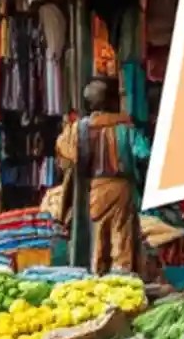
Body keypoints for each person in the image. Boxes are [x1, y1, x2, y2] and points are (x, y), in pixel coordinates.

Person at [54, 76, 152, 275]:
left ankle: (98, 276)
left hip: (94, 189)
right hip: (122, 188)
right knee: (122, 237)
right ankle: (122, 278)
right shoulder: (125, 127)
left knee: (97, 236)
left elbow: (63, 149)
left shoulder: (78, 129)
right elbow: (144, 153)